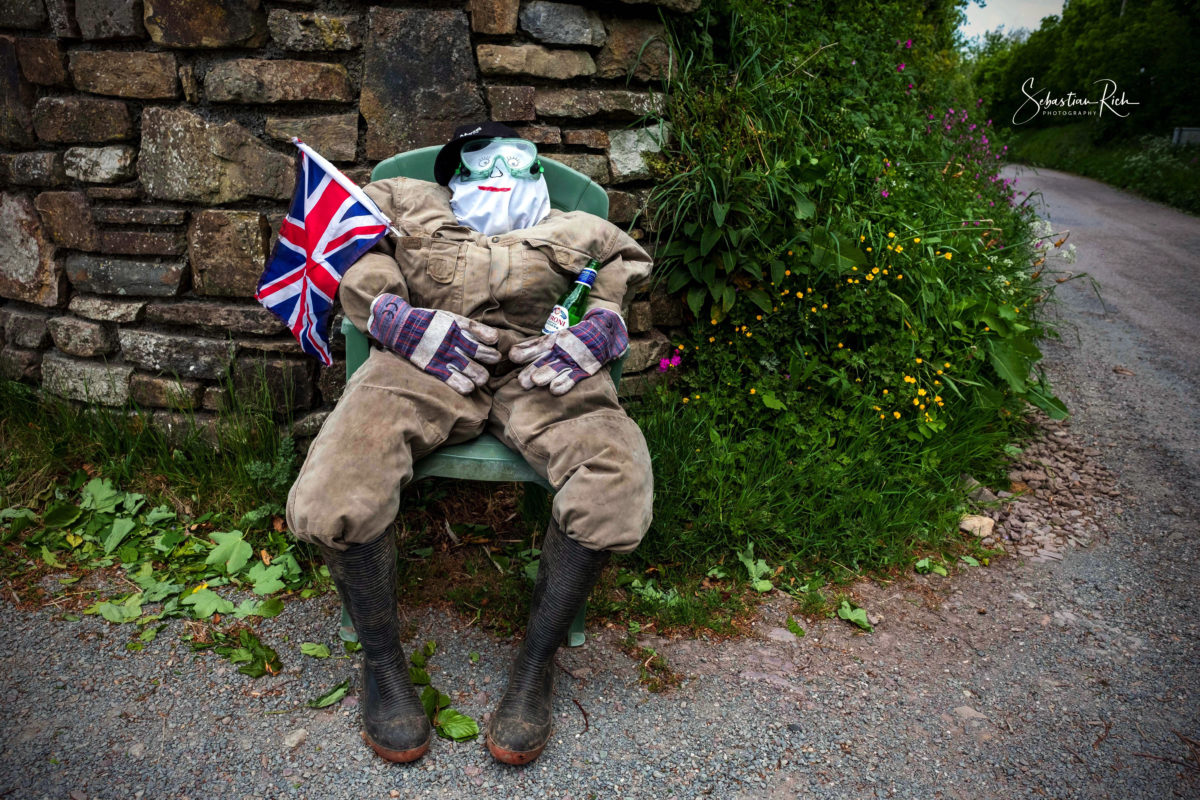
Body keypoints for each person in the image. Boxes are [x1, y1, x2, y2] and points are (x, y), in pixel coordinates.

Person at [286, 122, 655, 765]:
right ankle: (383, 663)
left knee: (616, 487)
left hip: (546, 369)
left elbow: (614, 282)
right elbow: (359, 254)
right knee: (332, 494)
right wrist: (391, 316)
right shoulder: (401, 197)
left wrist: (601, 327)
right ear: (453, 170)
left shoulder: (583, 228)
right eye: (487, 159)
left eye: (521, 160)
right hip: (424, 360)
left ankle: (536, 666)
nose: (506, 170)